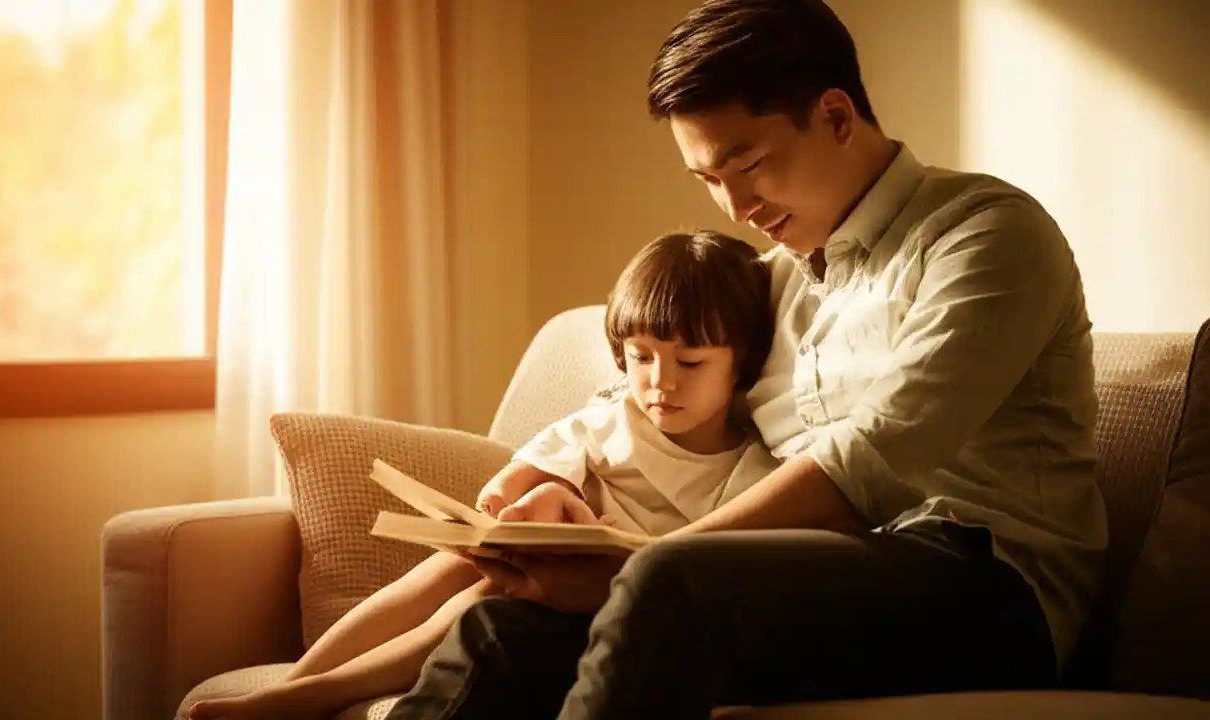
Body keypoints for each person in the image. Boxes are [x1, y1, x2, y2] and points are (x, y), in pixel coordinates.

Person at [386, 1, 1109, 719]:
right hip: (799, 577)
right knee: (505, 632)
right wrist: (550, 477)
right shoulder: (776, 282)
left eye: (750, 164)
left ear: (834, 115)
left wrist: (636, 562)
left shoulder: (985, 235)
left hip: (988, 591)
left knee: (671, 579)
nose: (734, 206)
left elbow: (875, 457)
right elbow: (654, 382)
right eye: (707, 179)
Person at [186, 231, 779, 720]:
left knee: (489, 596)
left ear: (742, 366)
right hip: (548, 578)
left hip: (614, 612)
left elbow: (716, 575)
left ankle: (304, 699)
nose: (660, 382)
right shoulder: (610, 419)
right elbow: (509, 486)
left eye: (691, 362)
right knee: (465, 565)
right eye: (641, 357)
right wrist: (531, 505)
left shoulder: (754, 470)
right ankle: (294, 685)